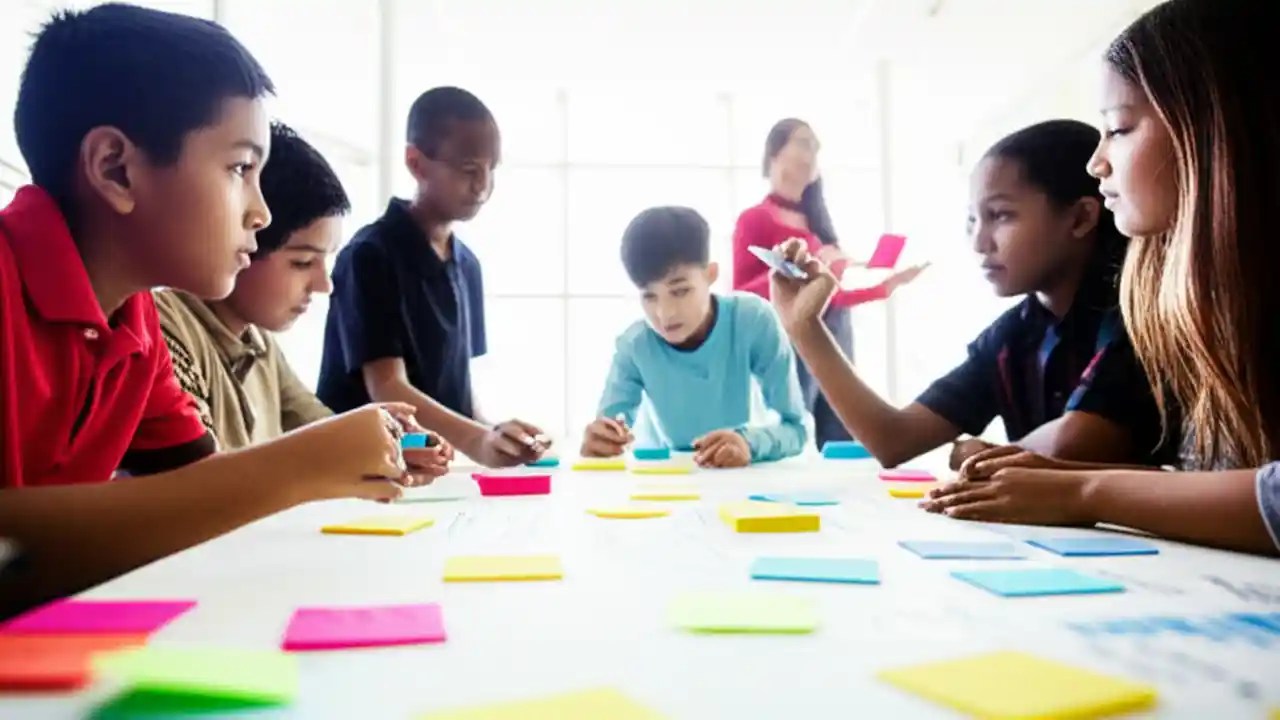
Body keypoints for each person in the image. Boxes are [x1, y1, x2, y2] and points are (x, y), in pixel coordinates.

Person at [0, 4, 430, 617]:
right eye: (239, 168)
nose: (260, 212)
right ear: (115, 169)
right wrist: (300, 467)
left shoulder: (135, 320)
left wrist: (337, 462)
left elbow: (199, 485)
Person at [922, 0, 1279, 557]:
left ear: (1212, 129)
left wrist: (1086, 490)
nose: (1098, 162)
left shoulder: (1121, 312)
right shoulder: (1190, 310)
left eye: (1118, 129)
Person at [769, 120, 1172, 471]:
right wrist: (805, 327)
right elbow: (893, 439)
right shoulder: (1011, 337)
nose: (979, 242)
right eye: (971, 220)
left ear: (1081, 217)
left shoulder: (1139, 313)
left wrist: (986, 456)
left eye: (1001, 215)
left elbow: (1078, 440)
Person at [157, 121, 451, 482]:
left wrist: (392, 441)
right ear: (244, 237)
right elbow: (199, 483)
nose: (324, 284)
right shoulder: (165, 329)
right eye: (301, 262)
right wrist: (352, 448)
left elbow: (323, 431)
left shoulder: (258, 344)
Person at [318, 87, 550, 468]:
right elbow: (387, 388)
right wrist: (479, 442)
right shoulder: (370, 255)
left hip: (437, 470)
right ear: (417, 163)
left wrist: (499, 436)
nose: (483, 186)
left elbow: (460, 396)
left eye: (492, 170)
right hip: (366, 469)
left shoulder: (468, 265)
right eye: (469, 169)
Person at [734, 118, 925, 449]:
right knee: (798, 431)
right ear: (775, 153)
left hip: (834, 332)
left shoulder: (817, 223)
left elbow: (833, 297)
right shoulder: (755, 218)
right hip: (790, 336)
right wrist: (794, 270)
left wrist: (885, 287)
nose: (812, 154)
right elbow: (742, 294)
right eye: (804, 143)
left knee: (841, 432)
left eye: (816, 148)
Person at [581, 207, 806, 467]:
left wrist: (749, 442)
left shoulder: (752, 320)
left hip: (747, 482)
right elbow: (608, 428)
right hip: (669, 486)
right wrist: (600, 442)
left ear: (710, 275)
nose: (664, 314)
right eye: (649, 296)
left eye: (680, 291)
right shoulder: (634, 345)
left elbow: (797, 429)